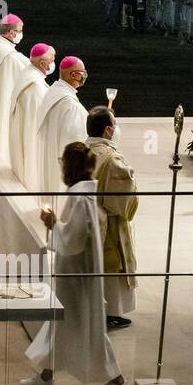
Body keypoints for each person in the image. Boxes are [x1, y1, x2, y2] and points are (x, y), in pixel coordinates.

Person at [20, 142, 129, 385]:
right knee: (62, 325)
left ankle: (118, 380)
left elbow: (73, 238)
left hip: (79, 277)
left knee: (87, 329)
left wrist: (53, 223)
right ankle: (46, 376)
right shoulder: (84, 193)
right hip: (79, 274)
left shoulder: (80, 197)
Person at [85, 107, 138, 329]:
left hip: (87, 216)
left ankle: (95, 308)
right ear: (107, 130)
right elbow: (124, 199)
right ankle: (109, 312)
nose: (117, 129)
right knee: (112, 264)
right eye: (114, 125)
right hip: (108, 222)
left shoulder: (81, 149)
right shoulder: (111, 158)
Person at [36, 56, 88, 199]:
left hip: (53, 151)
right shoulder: (70, 104)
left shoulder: (53, 92)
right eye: (82, 72)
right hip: (66, 159)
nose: (84, 75)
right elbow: (78, 137)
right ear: (73, 75)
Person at [0, 14, 29, 157]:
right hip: (4, 100)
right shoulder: (8, 54)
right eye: (20, 31)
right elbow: (30, 70)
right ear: (12, 33)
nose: (21, 34)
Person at [8, 43, 55, 189]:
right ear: (42, 63)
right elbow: (40, 122)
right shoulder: (35, 87)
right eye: (52, 60)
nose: (54, 63)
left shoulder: (28, 74)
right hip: (33, 140)